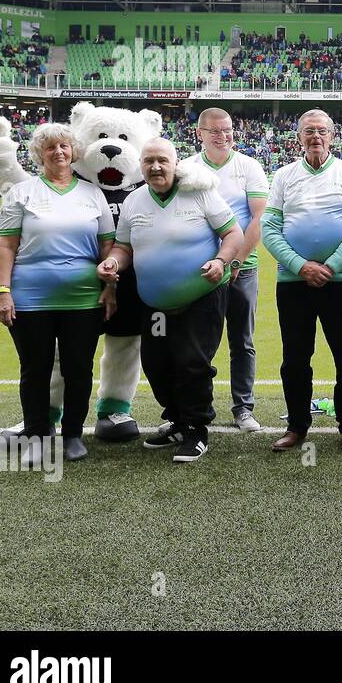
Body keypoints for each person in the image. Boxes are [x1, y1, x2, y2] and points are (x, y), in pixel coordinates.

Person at [100, 138, 244, 464]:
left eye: (162, 160)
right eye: (148, 161)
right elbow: (124, 248)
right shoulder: (135, 201)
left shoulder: (200, 191)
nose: (155, 167)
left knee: (192, 361)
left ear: (175, 163)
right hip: (153, 302)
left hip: (202, 296)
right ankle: (178, 421)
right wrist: (113, 263)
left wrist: (221, 261)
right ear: (140, 166)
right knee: (156, 362)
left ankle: (196, 428)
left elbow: (233, 234)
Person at [0, 122, 113, 466]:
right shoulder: (21, 193)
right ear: (39, 154)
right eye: (50, 148)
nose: (59, 152)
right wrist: (3, 292)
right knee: (35, 369)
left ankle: (73, 434)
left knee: (79, 368)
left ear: (73, 151)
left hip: (83, 299)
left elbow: (107, 246)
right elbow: (6, 245)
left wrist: (110, 289)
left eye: (64, 146)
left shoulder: (93, 194)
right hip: (30, 298)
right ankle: (36, 434)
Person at [262, 110, 342, 454]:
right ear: (298, 137)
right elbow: (269, 228)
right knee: (295, 357)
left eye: (321, 131)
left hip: (341, 281)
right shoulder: (284, 175)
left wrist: (333, 264)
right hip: (294, 282)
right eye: (308, 130)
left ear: (332, 136)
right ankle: (297, 425)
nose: (315, 136)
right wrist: (300, 265)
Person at [185, 107, 269, 433]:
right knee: (198, 342)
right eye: (215, 131)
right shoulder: (187, 168)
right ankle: (198, 408)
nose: (223, 136)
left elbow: (259, 219)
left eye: (228, 129)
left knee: (242, 341)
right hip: (200, 269)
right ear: (200, 134)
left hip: (241, 268)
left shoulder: (248, 167)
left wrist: (234, 260)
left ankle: (243, 408)